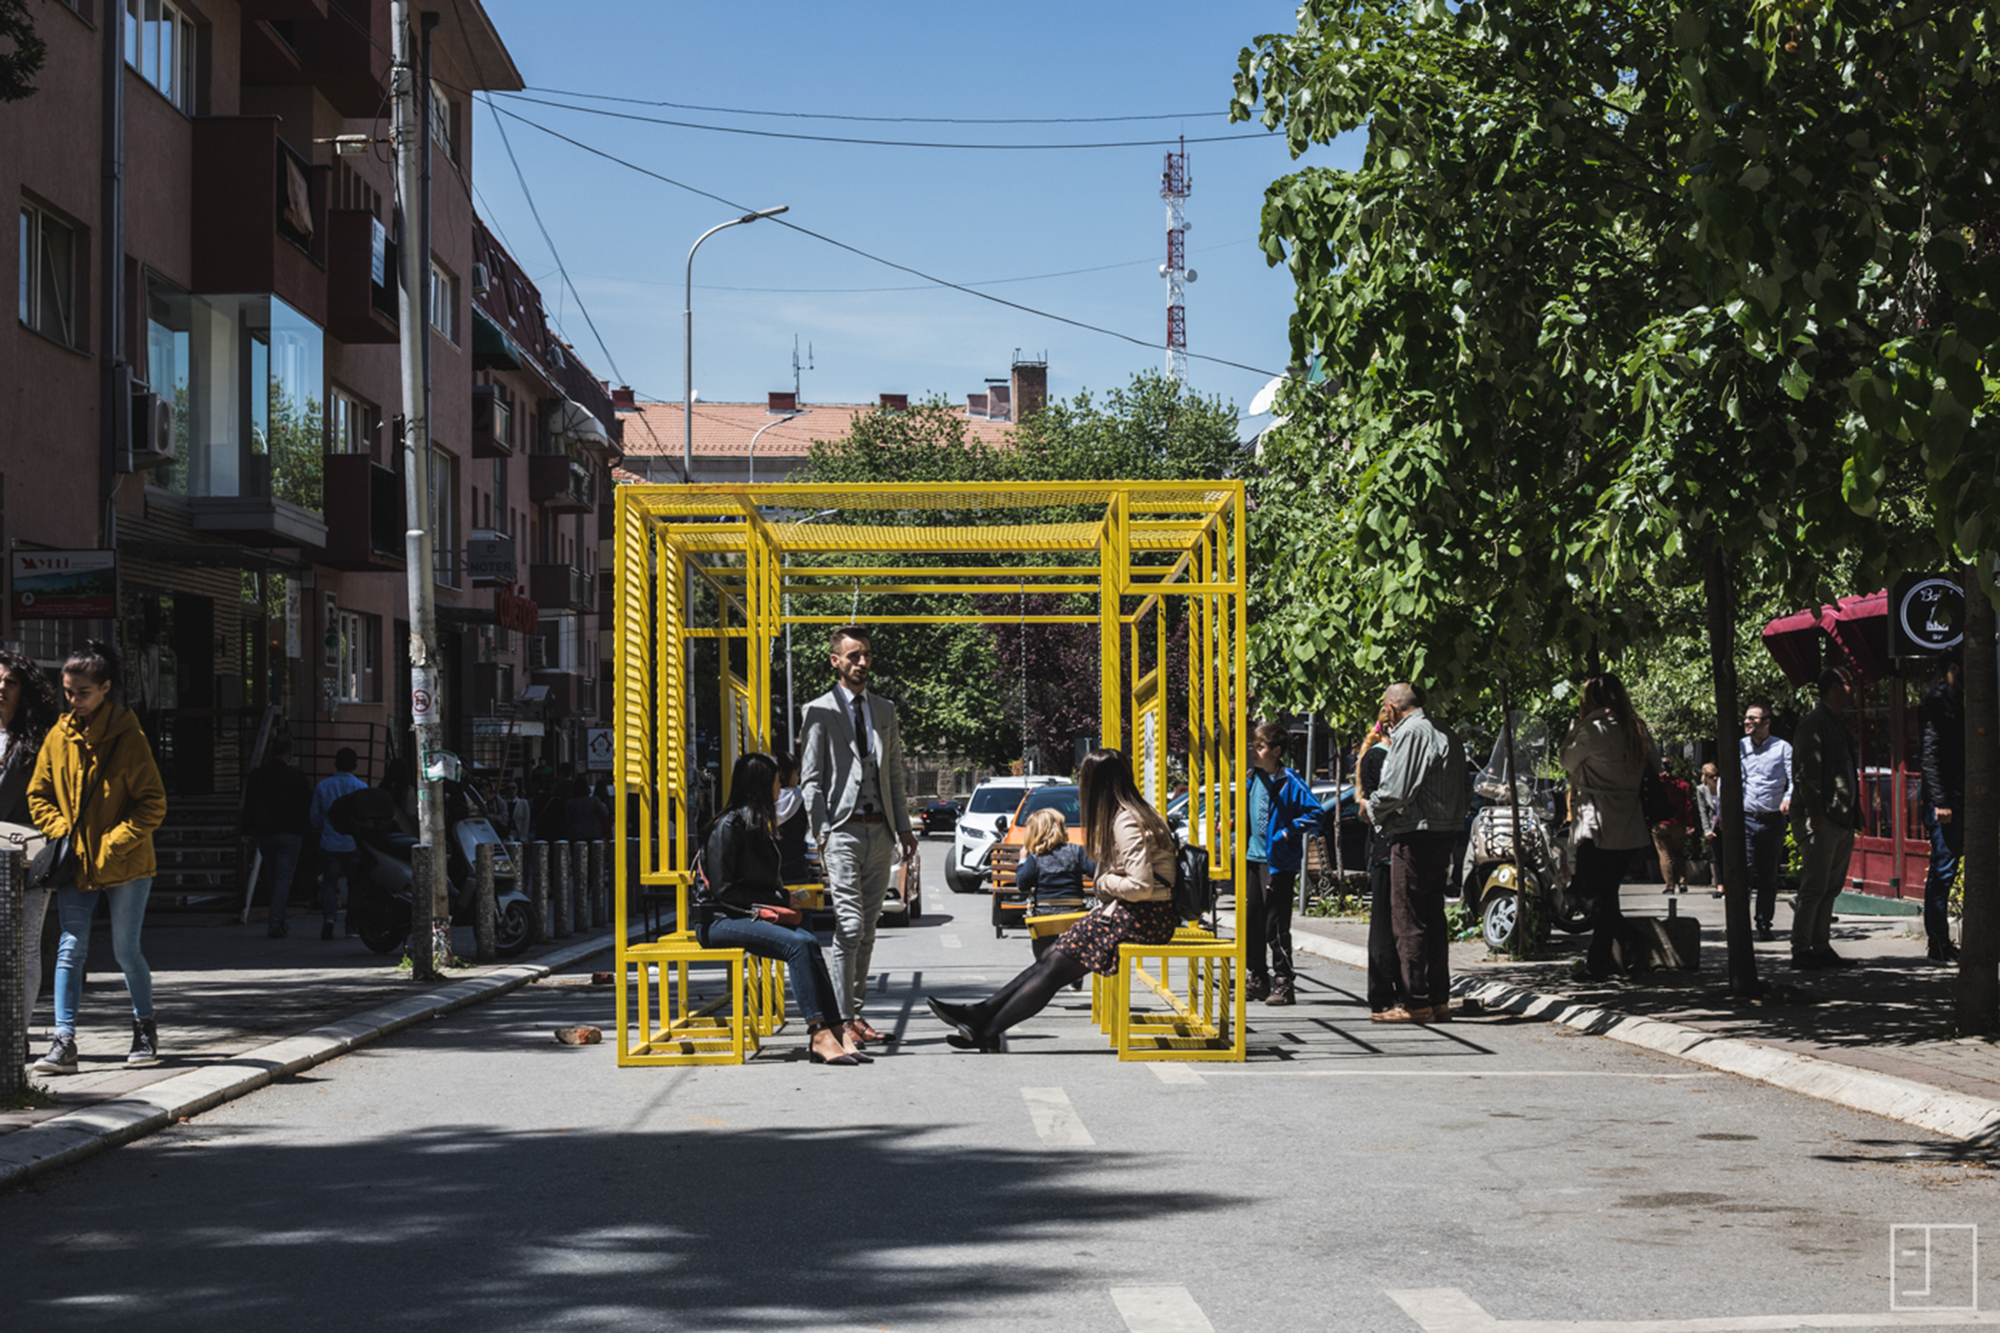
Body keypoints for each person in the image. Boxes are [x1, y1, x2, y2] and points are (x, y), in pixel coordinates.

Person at [926, 748, 1179, 1052]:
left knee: (1054, 968)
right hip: (1134, 913)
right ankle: (981, 1014)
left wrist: (1103, 882)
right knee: (1049, 958)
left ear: (1097, 784)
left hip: (1143, 917)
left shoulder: (1126, 821)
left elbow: (1140, 886)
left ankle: (987, 1029)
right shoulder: (1134, 813)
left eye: (1083, 778)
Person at [28, 640, 169, 1074]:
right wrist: (61, 832)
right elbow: (38, 795)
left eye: (83, 692)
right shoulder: (59, 735)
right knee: (70, 948)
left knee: (126, 950)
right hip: (76, 861)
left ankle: (144, 1027)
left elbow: (153, 804)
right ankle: (63, 1040)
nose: (74, 700)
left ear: (106, 687)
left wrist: (112, 844)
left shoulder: (129, 736)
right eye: (68, 691)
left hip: (125, 861)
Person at [699, 752, 870, 1066]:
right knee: (797, 945)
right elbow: (723, 890)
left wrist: (781, 897)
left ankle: (835, 1027)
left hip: (745, 915)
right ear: (762, 785)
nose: (781, 788)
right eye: (777, 782)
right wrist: (779, 899)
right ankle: (818, 1032)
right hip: (719, 920)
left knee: (808, 941)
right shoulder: (728, 826)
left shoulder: (756, 825)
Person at [799, 625, 917, 1048]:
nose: (862, 662)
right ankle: (841, 1018)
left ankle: (855, 1014)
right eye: (853, 656)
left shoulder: (884, 709)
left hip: (880, 831)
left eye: (866, 655)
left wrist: (904, 827)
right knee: (848, 925)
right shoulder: (818, 710)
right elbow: (810, 780)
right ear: (836, 661)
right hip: (842, 832)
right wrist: (822, 833)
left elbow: (895, 773)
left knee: (867, 928)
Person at [1365, 683, 1466, 1023]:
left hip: (1414, 834)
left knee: (1408, 919)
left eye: (1385, 708)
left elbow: (1396, 790)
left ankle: (1416, 1002)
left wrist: (1371, 809)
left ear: (1392, 708)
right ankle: (1438, 999)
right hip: (1444, 833)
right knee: (1434, 918)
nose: (1385, 715)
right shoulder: (1444, 731)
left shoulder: (1410, 733)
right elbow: (1463, 787)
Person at [1560, 672, 1657, 982]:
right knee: (1607, 895)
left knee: (1585, 894)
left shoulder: (1592, 730)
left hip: (1596, 823)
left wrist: (1574, 729)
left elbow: (1566, 761)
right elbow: (1654, 766)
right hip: (1629, 823)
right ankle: (1599, 963)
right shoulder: (1635, 728)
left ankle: (1632, 939)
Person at [0, 648, 63, 1047]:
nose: (1, 688)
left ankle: (15, 1038)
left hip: (28, 857)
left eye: (10, 681)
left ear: (25, 690)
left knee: (23, 949)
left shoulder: (39, 740)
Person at [1245, 721, 1322, 1006]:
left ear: (1276, 751)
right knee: (1252, 922)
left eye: (1260, 747)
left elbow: (1315, 812)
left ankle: (1284, 981)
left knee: (1274, 925)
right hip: (1252, 859)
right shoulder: (1251, 777)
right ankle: (1258, 977)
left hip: (1278, 863)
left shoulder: (1289, 780)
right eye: (1253, 746)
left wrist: (1287, 833)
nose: (1254, 752)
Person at [1791, 666, 1863, 970]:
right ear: (1834, 687)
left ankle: (1820, 946)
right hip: (1825, 818)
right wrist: (1817, 813)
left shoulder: (1835, 721)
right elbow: (1806, 771)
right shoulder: (1815, 722)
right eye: (1849, 683)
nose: (1853, 689)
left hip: (1842, 817)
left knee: (1830, 888)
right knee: (1814, 886)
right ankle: (1801, 949)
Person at [1355, 704, 1409, 1019]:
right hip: (1385, 846)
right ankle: (1382, 992)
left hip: (1387, 845)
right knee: (1385, 922)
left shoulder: (1384, 755)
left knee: (1392, 920)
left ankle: (1393, 989)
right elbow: (1380, 800)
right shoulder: (1378, 757)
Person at [242, 738, 314, 937]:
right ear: (289, 752)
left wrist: (245, 830)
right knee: (283, 878)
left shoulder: (257, 776)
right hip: (290, 832)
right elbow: (307, 804)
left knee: (273, 877)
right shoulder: (297, 777)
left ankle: (279, 921)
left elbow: (249, 804)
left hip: (264, 832)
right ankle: (275, 922)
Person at [1919, 653, 1964, 962]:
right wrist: (1941, 801)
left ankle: (1940, 943)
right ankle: (1937, 943)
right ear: (1954, 668)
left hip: (1956, 797)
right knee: (1943, 870)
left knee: (1946, 868)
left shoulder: (1955, 699)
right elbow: (1931, 755)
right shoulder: (1938, 702)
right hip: (1946, 802)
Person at [1740, 703, 1793, 941]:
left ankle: (1764, 923)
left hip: (1772, 819)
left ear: (1767, 722)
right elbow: (1728, 781)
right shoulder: (1740, 747)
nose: (1747, 722)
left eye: (1753, 718)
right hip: (1746, 819)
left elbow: (1794, 779)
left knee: (1768, 876)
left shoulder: (1782, 748)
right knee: (1743, 873)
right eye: (1746, 718)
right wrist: (1722, 814)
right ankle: (1740, 926)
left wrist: (1789, 797)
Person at [1014, 808, 1096, 960]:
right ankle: (1072, 968)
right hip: (1074, 912)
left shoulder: (1035, 857)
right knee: (1075, 948)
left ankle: (1045, 963)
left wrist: (1022, 859)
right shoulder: (1076, 851)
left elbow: (1022, 884)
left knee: (1043, 954)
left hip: (1045, 913)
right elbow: (1095, 871)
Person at [308, 747, 368, 940]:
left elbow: (315, 817)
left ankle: (329, 918)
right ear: (355, 765)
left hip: (329, 842)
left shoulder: (323, 786)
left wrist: (324, 825)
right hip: (353, 843)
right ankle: (352, 926)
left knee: (329, 883)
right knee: (355, 885)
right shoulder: (361, 788)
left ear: (335, 764)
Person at [1651, 758, 1697, 895]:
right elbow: (1688, 805)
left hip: (1660, 823)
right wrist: (1690, 823)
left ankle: (1669, 886)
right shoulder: (1682, 784)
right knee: (1678, 852)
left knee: (1664, 855)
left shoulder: (1656, 784)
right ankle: (1682, 881)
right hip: (1679, 823)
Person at [774, 751, 815, 887]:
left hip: (770, 870)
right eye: (796, 773)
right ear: (785, 774)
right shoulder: (801, 799)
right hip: (797, 868)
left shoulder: (763, 803)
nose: (798, 777)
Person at [1697, 762, 1723, 896]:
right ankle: (1720, 886)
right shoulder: (1701, 789)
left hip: (1726, 825)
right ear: (1705, 777)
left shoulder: (1723, 786)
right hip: (1714, 826)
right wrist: (1707, 830)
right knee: (1717, 856)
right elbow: (1703, 811)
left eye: (1716, 775)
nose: (1715, 778)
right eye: (1711, 776)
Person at [564, 775, 610, 842]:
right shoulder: (594, 800)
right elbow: (605, 813)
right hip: (592, 833)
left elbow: (567, 819)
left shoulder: (570, 802)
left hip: (575, 834)